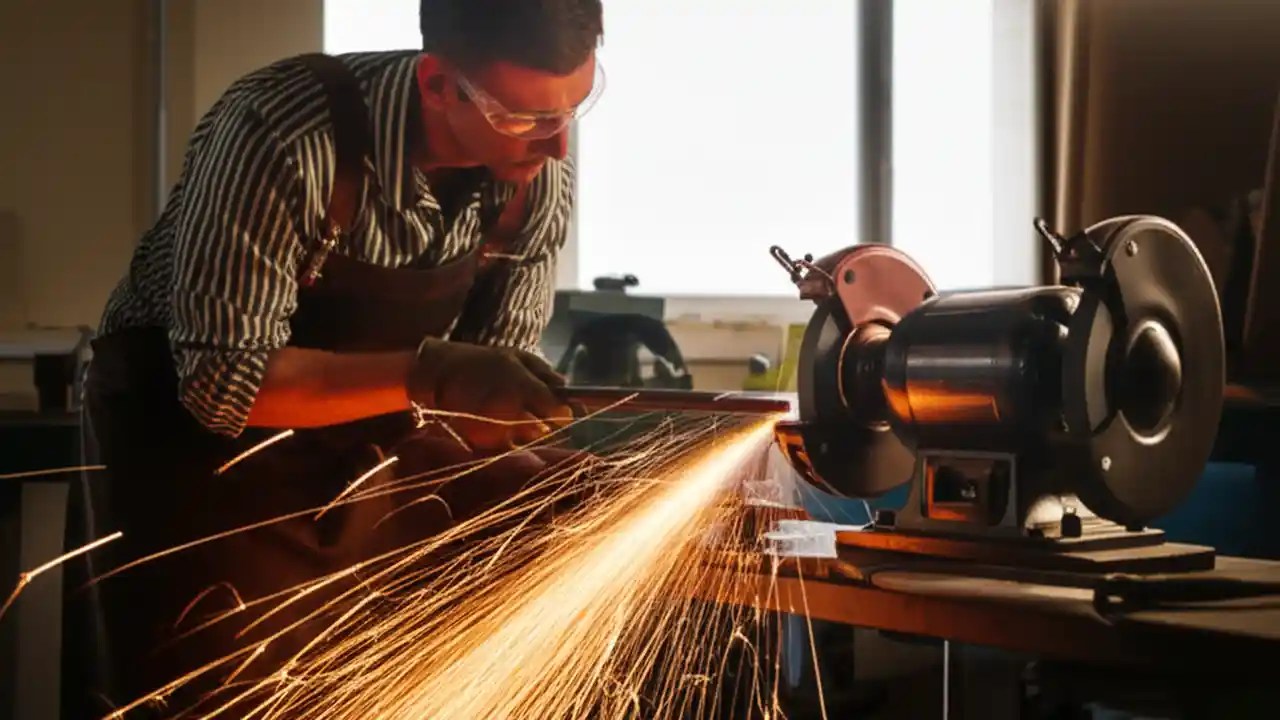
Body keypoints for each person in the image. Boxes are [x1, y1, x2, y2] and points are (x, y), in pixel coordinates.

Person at [75, 0, 605, 715]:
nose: (558, 148)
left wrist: (525, 443)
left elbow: (477, 405)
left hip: (370, 456)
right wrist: (430, 373)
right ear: (438, 84)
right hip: (202, 462)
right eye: (525, 118)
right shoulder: (281, 131)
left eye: (577, 106)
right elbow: (223, 384)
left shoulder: (534, 182)